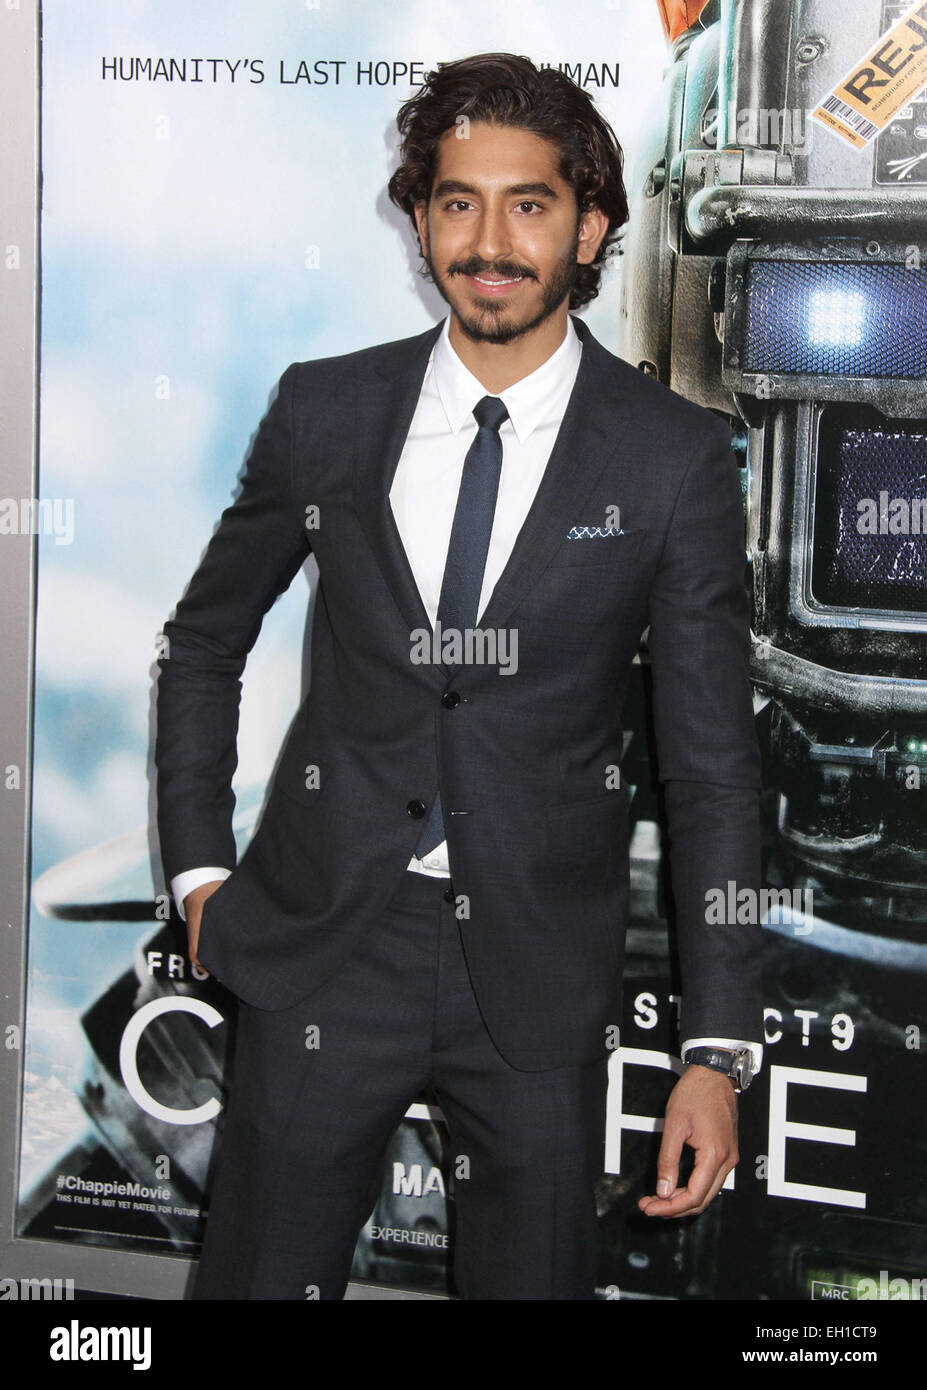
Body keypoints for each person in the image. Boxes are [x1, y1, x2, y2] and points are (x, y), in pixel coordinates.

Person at [155, 51, 764, 1301]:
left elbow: (711, 768)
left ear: (591, 224)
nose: (488, 241)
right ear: (422, 215)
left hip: (536, 978)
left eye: (529, 204)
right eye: (456, 201)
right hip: (326, 943)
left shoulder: (674, 460)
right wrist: (201, 873)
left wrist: (716, 1044)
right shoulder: (326, 411)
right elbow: (205, 639)